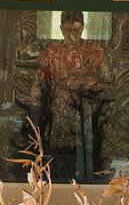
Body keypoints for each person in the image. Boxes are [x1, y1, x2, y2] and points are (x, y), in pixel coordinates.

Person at [30, 10, 109, 181]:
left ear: (83, 28)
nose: (72, 35)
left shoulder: (95, 51)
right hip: (60, 121)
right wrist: (35, 115)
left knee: (92, 166)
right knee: (61, 167)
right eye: (67, 31)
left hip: (90, 119)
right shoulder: (51, 52)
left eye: (76, 30)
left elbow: (108, 84)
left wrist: (88, 84)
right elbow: (39, 85)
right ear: (60, 29)